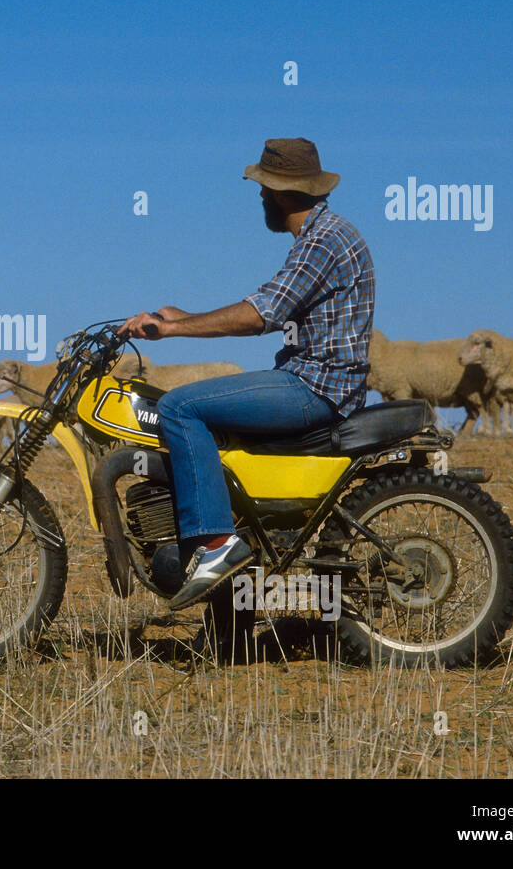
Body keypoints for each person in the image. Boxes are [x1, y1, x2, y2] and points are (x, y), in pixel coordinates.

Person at [120, 138, 375, 611]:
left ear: (279, 193)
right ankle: (232, 599)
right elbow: (266, 307)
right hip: (317, 383)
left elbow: (260, 315)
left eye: (262, 189)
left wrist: (173, 329)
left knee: (179, 406)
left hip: (313, 388)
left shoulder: (322, 242)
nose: (258, 197)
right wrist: (180, 318)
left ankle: (216, 548)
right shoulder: (326, 234)